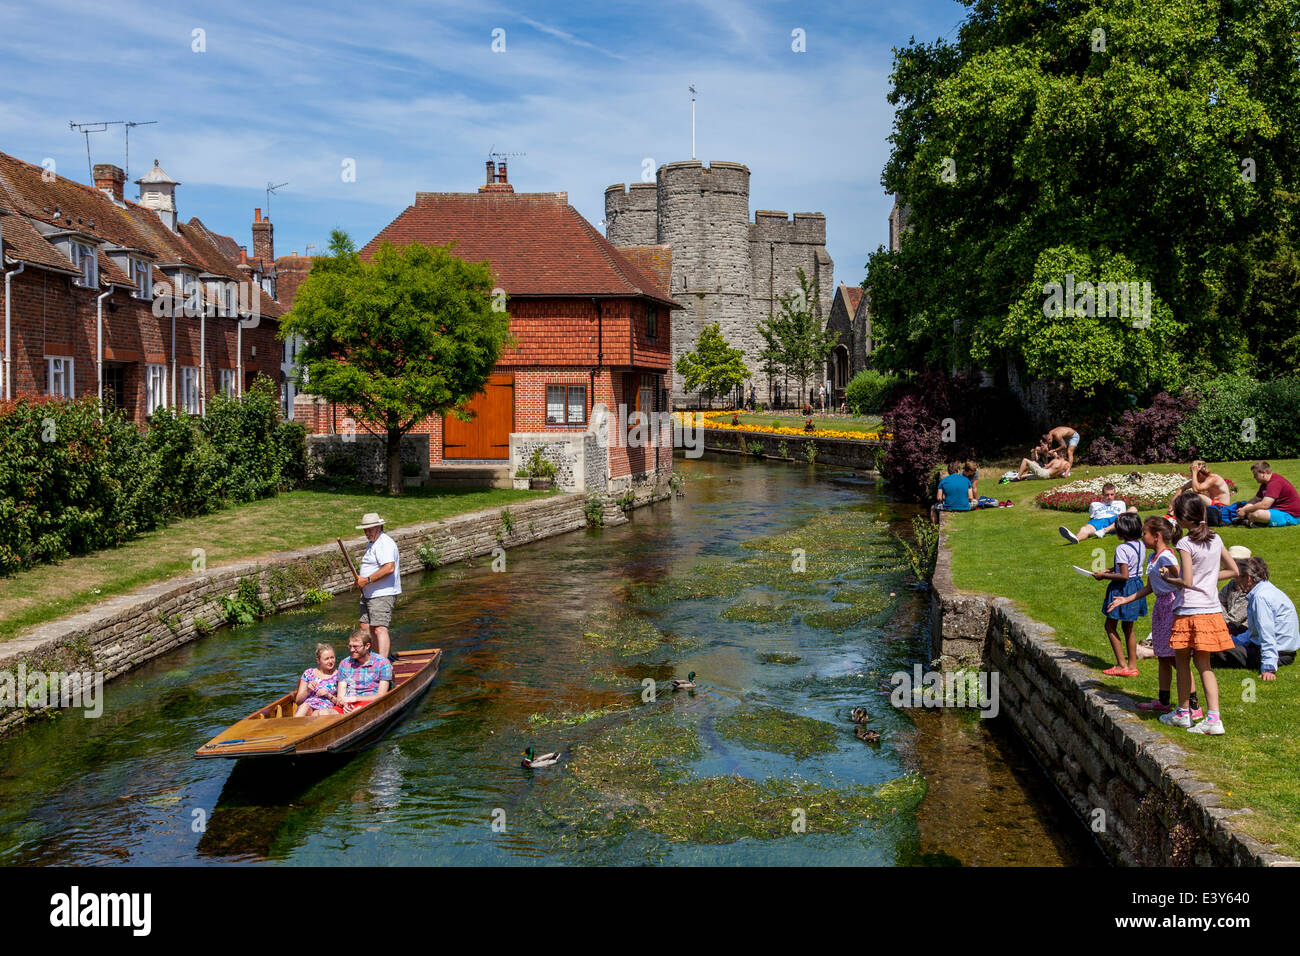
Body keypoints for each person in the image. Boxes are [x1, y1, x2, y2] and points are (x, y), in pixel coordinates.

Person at [1156, 492, 1239, 735]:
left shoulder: (1184, 544)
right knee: (1204, 664)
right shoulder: (1215, 539)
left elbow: (1188, 580)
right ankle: (1214, 718)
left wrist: (1169, 577)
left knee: (1182, 663)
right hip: (1211, 610)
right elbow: (1233, 570)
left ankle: (1183, 713)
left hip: (1189, 610)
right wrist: (1210, 578)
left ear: (1183, 517)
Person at [1110, 517, 1200, 717]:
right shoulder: (1154, 558)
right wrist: (1125, 600)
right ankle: (1163, 701)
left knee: (1178, 660)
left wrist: (1171, 580)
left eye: (1145, 534)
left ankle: (1194, 706)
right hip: (1161, 608)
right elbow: (1150, 587)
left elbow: (1183, 582)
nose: (1143, 537)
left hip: (1172, 608)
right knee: (1163, 657)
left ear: (1156, 536)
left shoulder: (1167, 558)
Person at [1211, 557, 1299, 679]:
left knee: (1216, 648)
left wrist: (1268, 668)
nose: (1237, 584)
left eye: (1237, 579)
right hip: (1280, 649)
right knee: (1234, 627)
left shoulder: (1260, 598)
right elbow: (1254, 632)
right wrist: (1233, 640)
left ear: (1248, 577)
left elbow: (1266, 634)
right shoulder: (1265, 590)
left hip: (1278, 653)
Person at [1093, 512, 1146, 676]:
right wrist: (1109, 569)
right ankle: (1132, 666)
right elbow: (1130, 568)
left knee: (1110, 625)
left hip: (1123, 588)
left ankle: (1120, 665)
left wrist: (1103, 576)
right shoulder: (1141, 545)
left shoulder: (1121, 548)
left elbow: (1124, 575)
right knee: (1128, 627)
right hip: (1136, 586)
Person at [354, 511, 401, 659]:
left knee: (379, 628)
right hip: (369, 593)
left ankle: (383, 663)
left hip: (382, 593)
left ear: (378, 527)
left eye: (369, 529)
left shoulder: (384, 543)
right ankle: (377, 658)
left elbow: (389, 567)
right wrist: (363, 585)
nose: (366, 532)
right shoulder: (373, 542)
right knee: (366, 627)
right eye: (365, 529)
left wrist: (366, 580)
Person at [335, 628, 393, 713]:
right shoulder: (344, 663)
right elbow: (340, 696)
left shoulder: (382, 663)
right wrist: (344, 704)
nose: (351, 650)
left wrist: (356, 700)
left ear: (367, 646)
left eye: (355, 647)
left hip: (371, 704)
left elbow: (381, 695)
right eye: (350, 646)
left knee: (359, 711)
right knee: (323, 713)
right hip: (348, 704)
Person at [1059, 482, 1126, 544]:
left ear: (1115, 494)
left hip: (1115, 521)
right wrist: (1089, 526)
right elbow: (1091, 519)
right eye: (1107, 495)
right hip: (1099, 521)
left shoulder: (1121, 503)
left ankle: (1105, 530)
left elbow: (1125, 518)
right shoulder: (1094, 504)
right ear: (1102, 495)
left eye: (1112, 494)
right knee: (1084, 529)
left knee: (1131, 511)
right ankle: (1076, 539)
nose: (1109, 497)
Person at [1238, 461, 1300, 527]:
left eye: (1255, 475)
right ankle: (1255, 522)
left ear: (1263, 473)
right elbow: (1256, 499)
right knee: (1251, 510)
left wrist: (1245, 510)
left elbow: (1265, 505)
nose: (1254, 477)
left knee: (1257, 514)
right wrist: (1244, 509)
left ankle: (1250, 522)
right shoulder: (1265, 483)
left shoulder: (1275, 483)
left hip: (1291, 515)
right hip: (1277, 510)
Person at [293, 643, 343, 718]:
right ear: (318, 661)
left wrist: (328, 695)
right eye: (326, 659)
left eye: (332, 657)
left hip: (325, 709)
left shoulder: (339, 675)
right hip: (307, 707)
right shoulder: (308, 673)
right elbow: (298, 701)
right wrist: (307, 691)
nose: (330, 661)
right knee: (304, 706)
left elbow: (340, 702)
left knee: (317, 713)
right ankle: (293, 727)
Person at [1218, 545, 1253, 636]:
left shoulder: (1247, 588)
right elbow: (1218, 603)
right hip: (1228, 628)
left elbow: (1234, 619)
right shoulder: (1231, 585)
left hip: (1243, 633)